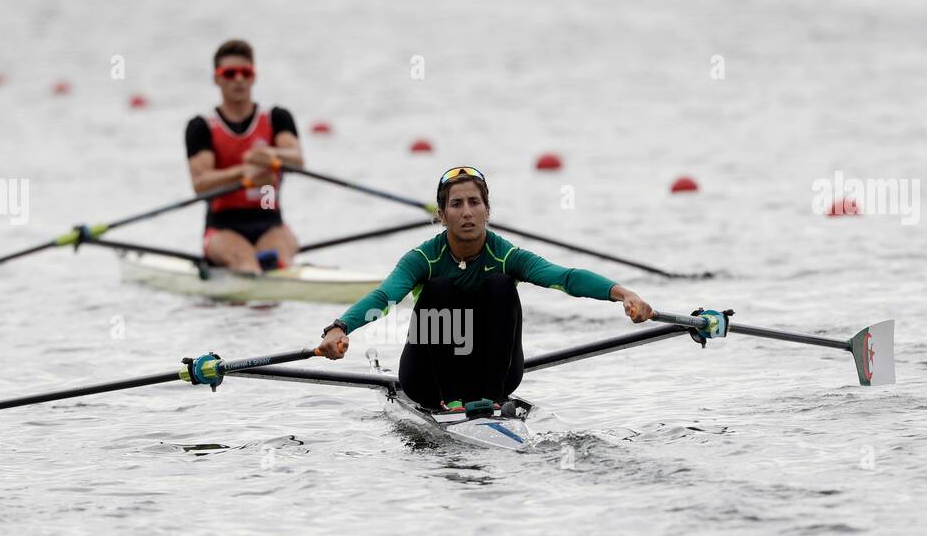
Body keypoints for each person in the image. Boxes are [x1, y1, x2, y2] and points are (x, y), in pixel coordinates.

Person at [315, 166, 654, 409]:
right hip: (428, 382)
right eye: (456, 204)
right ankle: (452, 401)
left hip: (497, 377)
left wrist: (625, 294)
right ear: (442, 215)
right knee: (439, 289)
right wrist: (339, 327)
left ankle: (489, 399)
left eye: (474, 203)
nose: (467, 212)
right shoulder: (422, 259)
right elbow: (383, 297)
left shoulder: (505, 254)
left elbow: (565, 277)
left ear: (487, 210)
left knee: (500, 285)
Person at [184, 39, 303, 272]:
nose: (238, 79)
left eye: (245, 72)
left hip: (271, 222)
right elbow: (200, 184)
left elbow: (296, 159)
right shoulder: (202, 126)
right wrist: (244, 174)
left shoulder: (277, 118)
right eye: (230, 73)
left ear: (254, 76)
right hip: (222, 228)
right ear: (216, 79)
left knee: (280, 266)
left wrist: (271, 155)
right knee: (247, 265)